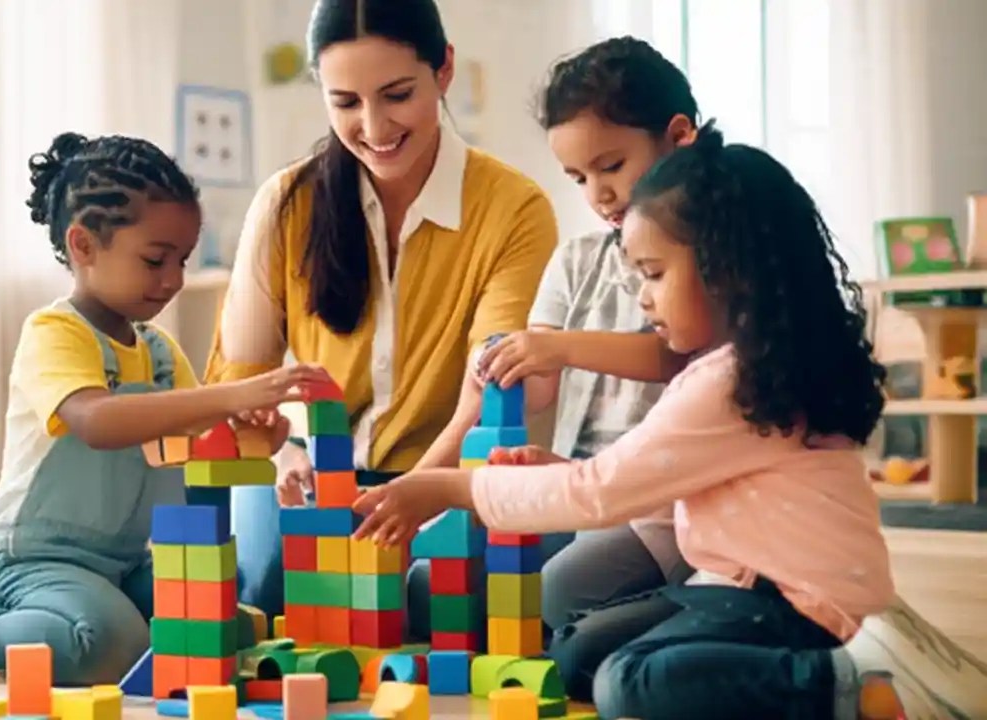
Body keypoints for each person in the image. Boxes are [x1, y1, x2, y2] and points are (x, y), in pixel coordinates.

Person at [352, 125, 923, 717]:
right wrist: (560, 467)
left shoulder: (730, 382)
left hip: (805, 610)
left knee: (627, 681)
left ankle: (852, 685)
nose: (643, 297)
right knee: (575, 653)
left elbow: (597, 495)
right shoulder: (746, 370)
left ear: (727, 272)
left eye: (653, 274)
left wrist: (454, 488)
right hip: (737, 588)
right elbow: (657, 484)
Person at [0, 132, 324, 684]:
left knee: (225, 628)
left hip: (127, 558)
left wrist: (263, 434)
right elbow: (97, 421)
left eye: (182, 260)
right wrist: (231, 394)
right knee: (106, 646)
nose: (174, 280)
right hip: (40, 555)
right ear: (84, 246)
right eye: (155, 259)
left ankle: (80, 608)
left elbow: (200, 439)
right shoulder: (54, 332)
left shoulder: (158, 351)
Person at [205, 0, 558, 621]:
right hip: (313, 470)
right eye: (345, 102)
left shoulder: (514, 209)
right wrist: (283, 452)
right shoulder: (286, 204)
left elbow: (493, 386)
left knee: (441, 602)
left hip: (443, 475)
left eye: (397, 95)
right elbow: (238, 382)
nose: (374, 126)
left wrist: (413, 496)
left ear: (443, 70)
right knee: (269, 592)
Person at [460, 37, 702, 640]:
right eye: (578, 178)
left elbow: (678, 359)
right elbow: (540, 382)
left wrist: (560, 346)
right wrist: (503, 365)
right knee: (447, 578)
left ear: (678, 138)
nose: (598, 194)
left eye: (611, 166)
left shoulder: (706, 257)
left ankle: (677, 611)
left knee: (557, 590)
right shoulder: (577, 260)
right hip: (574, 484)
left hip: (656, 504)